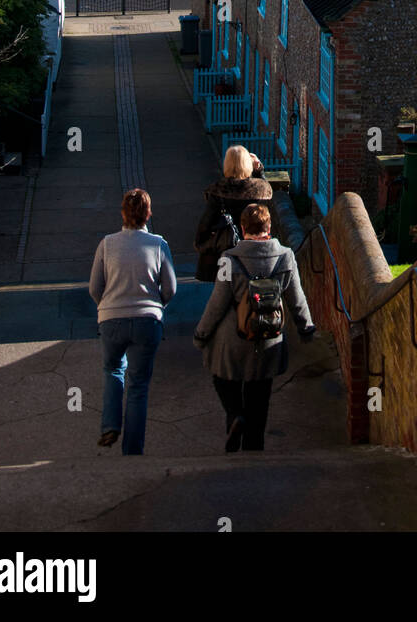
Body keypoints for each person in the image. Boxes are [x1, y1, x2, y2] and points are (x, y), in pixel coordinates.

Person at [193, 202, 315, 452]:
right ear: (269, 227)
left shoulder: (229, 259)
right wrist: (306, 328)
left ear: (242, 227)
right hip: (268, 340)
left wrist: (202, 334)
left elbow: (217, 304)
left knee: (223, 379)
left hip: (234, 339)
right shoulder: (285, 256)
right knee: (259, 402)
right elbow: (296, 298)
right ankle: (253, 453)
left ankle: (235, 416)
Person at [89, 188, 177, 455]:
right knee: (138, 385)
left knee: (113, 370)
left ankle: (110, 425)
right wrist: (157, 305)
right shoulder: (158, 244)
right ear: (148, 214)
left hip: (111, 320)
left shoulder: (107, 244)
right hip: (147, 321)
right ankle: (132, 450)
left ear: (123, 213)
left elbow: (95, 287)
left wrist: (107, 306)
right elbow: (170, 288)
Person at [194, 145, 273, 282]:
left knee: (224, 293)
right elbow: (266, 189)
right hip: (253, 252)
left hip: (226, 256)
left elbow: (205, 224)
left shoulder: (218, 191)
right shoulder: (259, 191)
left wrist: (200, 243)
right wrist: (259, 168)